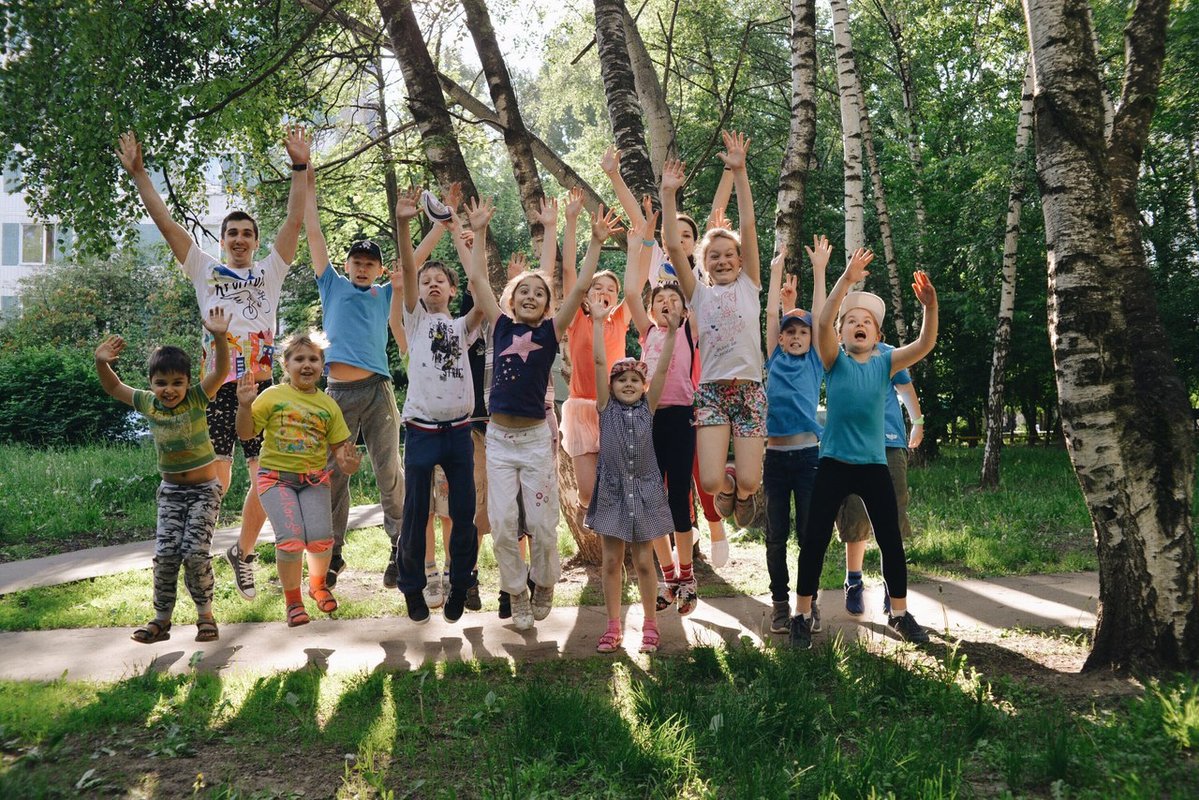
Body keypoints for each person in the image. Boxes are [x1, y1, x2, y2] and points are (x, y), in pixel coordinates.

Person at [117, 127, 309, 602]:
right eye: (233, 233)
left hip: (262, 387)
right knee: (217, 484)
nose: (240, 239)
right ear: (222, 240)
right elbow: (166, 225)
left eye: (248, 234)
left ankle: (242, 555)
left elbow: (294, 220)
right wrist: (140, 175)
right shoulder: (204, 269)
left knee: (266, 483)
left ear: (256, 241)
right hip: (216, 387)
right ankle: (201, 564)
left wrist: (300, 168)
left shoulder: (270, 270)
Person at [464, 195, 619, 631]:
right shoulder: (500, 325)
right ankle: (515, 591)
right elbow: (477, 278)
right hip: (498, 439)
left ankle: (543, 581)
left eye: (540, 293)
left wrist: (594, 242)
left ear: (547, 305)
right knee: (503, 521)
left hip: (534, 440)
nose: (531, 295)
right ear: (511, 298)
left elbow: (580, 286)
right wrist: (477, 232)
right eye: (524, 291)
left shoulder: (552, 331)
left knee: (542, 522)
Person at [789, 247, 939, 648]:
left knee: (890, 538)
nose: (859, 324)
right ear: (840, 334)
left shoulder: (886, 362)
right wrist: (846, 281)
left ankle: (902, 613)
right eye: (851, 321)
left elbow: (925, 344)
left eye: (867, 322)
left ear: (877, 336)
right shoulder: (832, 359)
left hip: (873, 466)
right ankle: (801, 614)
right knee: (815, 539)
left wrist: (930, 308)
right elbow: (822, 320)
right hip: (834, 464)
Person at [599, 152, 730, 565]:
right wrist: (614, 174)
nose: (683, 239)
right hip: (660, 360)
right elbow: (641, 224)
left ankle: (711, 521)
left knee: (694, 457)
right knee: (666, 464)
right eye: (679, 234)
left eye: (690, 236)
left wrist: (730, 171)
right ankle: (680, 538)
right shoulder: (657, 269)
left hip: (696, 361)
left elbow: (717, 218)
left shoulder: (700, 274)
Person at [303, 166, 413, 590]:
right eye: (358, 262)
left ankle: (398, 548)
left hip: (378, 391)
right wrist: (308, 186)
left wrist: (441, 222)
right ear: (347, 264)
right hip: (338, 394)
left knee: (390, 470)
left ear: (379, 271)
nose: (363, 269)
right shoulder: (331, 284)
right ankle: (332, 554)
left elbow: (413, 258)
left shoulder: (386, 294)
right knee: (334, 474)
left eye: (371, 264)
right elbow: (315, 236)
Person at [94, 309, 232, 644]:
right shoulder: (148, 403)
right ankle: (161, 620)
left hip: (204, 491)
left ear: (187, 382)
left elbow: (222, 371)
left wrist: (218, 337)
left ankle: (205, 616)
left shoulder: (198, 398)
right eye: (161, 383)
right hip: (171, 492)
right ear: (151, 384)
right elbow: (114, 387)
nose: (169, 390)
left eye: (177, 382)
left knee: (195, 553)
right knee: (167, 554)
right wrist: (102, 362)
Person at [661, 133, 766, 529]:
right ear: (704, 264)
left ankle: (741, 491)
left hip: (750, 389)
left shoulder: (749, 284)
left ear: (740, 261)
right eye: (713, 256)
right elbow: (673, 247)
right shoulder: (698, 295)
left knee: (753, 479)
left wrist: (739, 171)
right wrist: (669, 195)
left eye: (728, 255)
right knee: (707, 480)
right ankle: (725, 488)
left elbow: (748, 224)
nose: (722, 260)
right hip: (712, 392)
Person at [393, 186, 485, 625]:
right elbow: (409, 270)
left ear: (450, 290)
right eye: (426, 280)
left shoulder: (464, 326)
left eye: (439, 281)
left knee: (464, 514)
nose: (431, 284)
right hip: (422, 430)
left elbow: (479, 287)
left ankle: (461, 583)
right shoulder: (415, 319)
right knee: (416, 514)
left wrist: (465, 235)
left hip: (459, 433)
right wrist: (410, 223)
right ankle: (412, 587)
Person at [235, 332, 362, 627]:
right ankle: (293, 602)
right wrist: (244, 406)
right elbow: (245, 433)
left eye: (313, 359)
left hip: (314, 481)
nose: (307, 365)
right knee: (290, 540)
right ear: (286, 365)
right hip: (275, 480)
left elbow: (342, 455)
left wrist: (350, 463)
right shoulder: (272, 396)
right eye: (299, 359)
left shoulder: (328, 405)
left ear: (323, 365)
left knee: (320, 540)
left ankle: (317, 586)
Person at [588, 304, 679, 654]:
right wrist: (598, 323)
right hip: (612, 492)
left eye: (634, 380)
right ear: (610, 386)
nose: (628, 384)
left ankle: (651, 626)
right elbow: (598, 363)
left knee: (644, 562)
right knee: (610, 562)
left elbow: (663, 368)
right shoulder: (605, 408)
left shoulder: (648, 407)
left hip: (644, 491)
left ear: (643, 386)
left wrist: (671, 334)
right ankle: (613, 627)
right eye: (621, 380)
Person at [625, 202, 701, 615]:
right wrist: (642, 241)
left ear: (685, 309)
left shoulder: (688, 329)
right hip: (646, 420)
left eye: (675, 300)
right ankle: (669, 574)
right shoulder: (647, 332)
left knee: (677, 501)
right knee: (650, 499)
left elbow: (690, 289)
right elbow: (632, 290)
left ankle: (687, 576)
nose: (667, 304)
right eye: (661, 301)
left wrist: (672, 247)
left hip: (680, 418)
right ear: (653, 310)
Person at [762, 237, 828, 636]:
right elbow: (771, 312)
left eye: (802, 332)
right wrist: (773, 274)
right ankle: (781, 604)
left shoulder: (817, 361)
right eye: (791, 331)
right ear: (783, 338)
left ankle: (810, 601)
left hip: (809, 458)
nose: (797, 336)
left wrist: (819, 269)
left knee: (809, 533)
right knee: (775, 536)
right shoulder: (775, 356)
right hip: (774, 458)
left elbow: (821, 316)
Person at [837, 349, 923, 615]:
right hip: (852, 445)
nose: (861, 324)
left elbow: (906, 389)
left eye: (868, 319)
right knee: (855, 515)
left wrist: (917, 422)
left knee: (892, 517)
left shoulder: (888, 355)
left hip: (889, 443)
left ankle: (892, 588)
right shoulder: (839, 355)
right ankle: (854, 582)